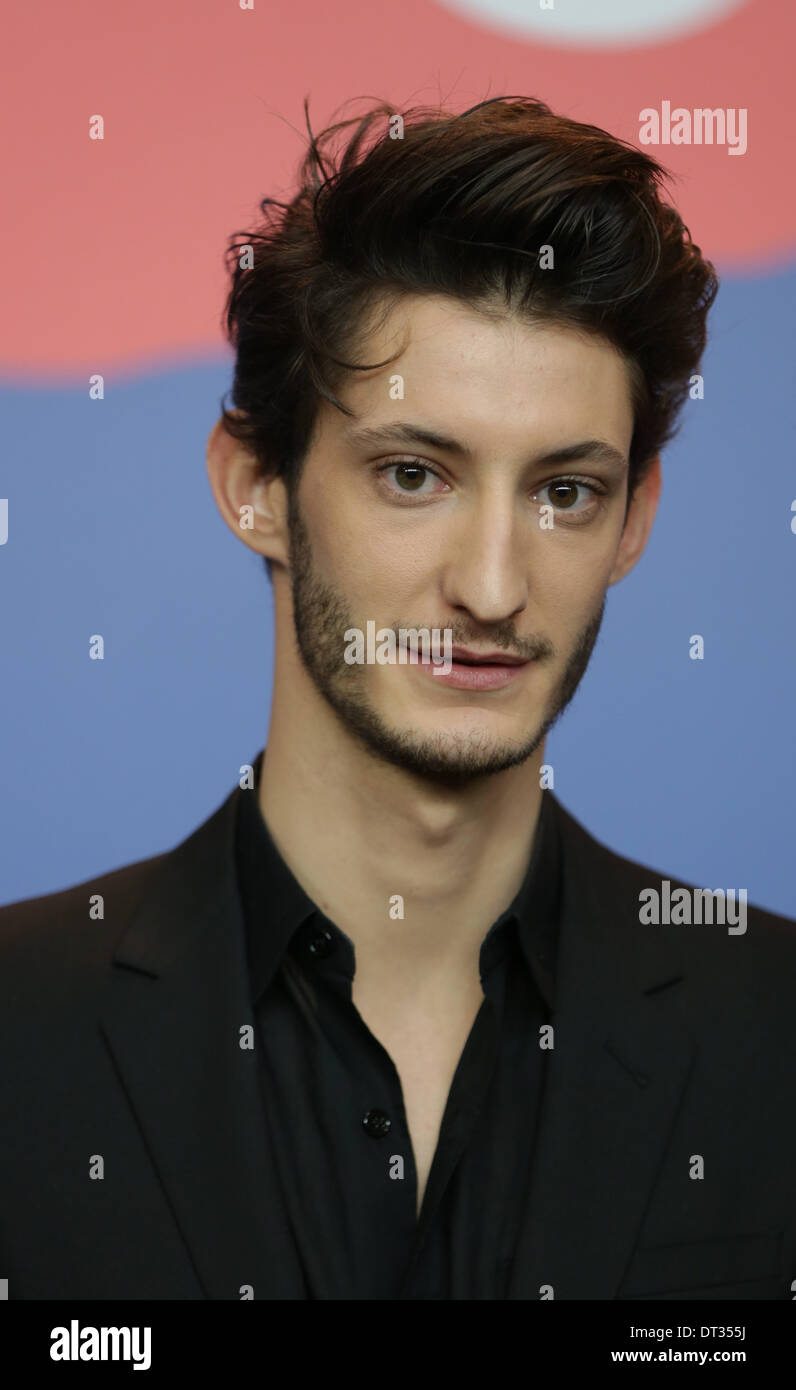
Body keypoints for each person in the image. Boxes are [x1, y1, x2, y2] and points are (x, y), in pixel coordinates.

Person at [2, 96, 795, 1301]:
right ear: (256, 485)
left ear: (634, 519)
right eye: (413, 473)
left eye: (565, 492)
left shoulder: (775, 1033)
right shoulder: (18, 1030)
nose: (491, 586)